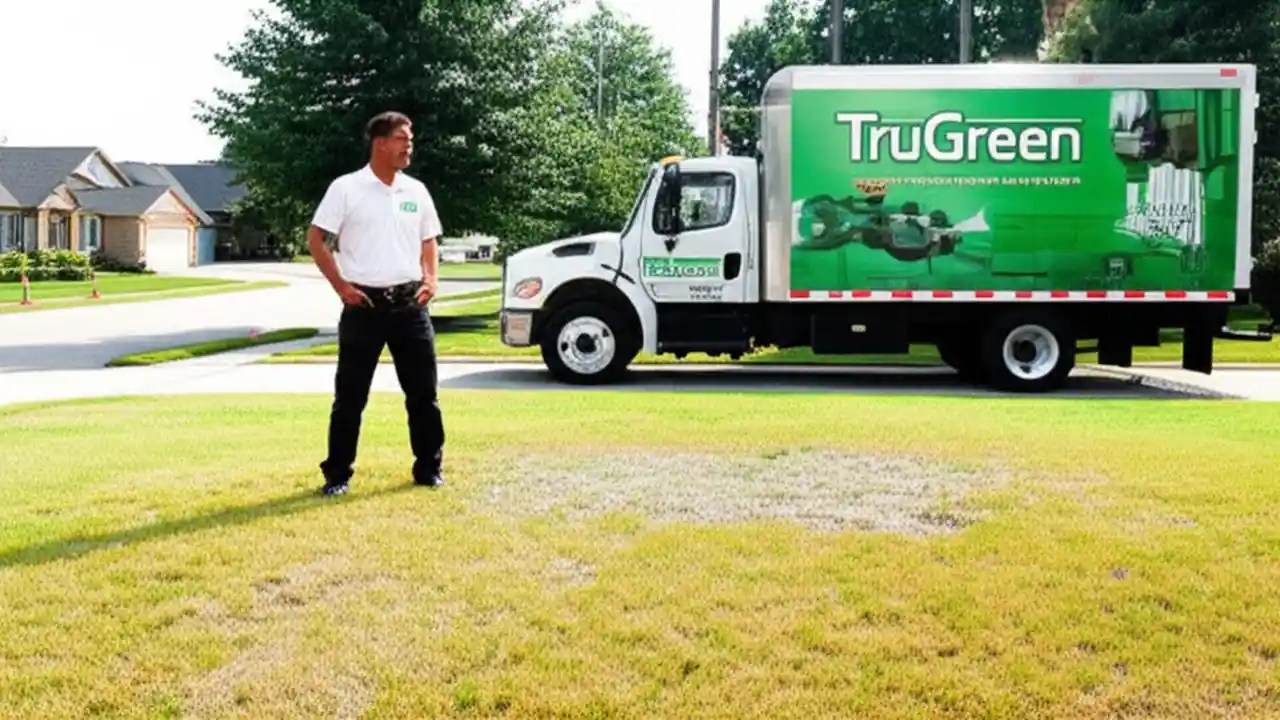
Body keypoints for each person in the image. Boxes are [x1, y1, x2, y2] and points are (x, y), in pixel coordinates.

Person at [306, 110, 446, 496]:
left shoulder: (415, 191)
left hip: (410, 306)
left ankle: (429, 469)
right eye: (403, 138)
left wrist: (431, 279)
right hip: (363, 306)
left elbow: (428, 240)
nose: (409, 146)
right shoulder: (347, 188)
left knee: (423, 395)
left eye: (410, 139)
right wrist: (341, 287)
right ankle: (337, 476)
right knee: (350, 397)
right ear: (380, 143)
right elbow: (316, 239)